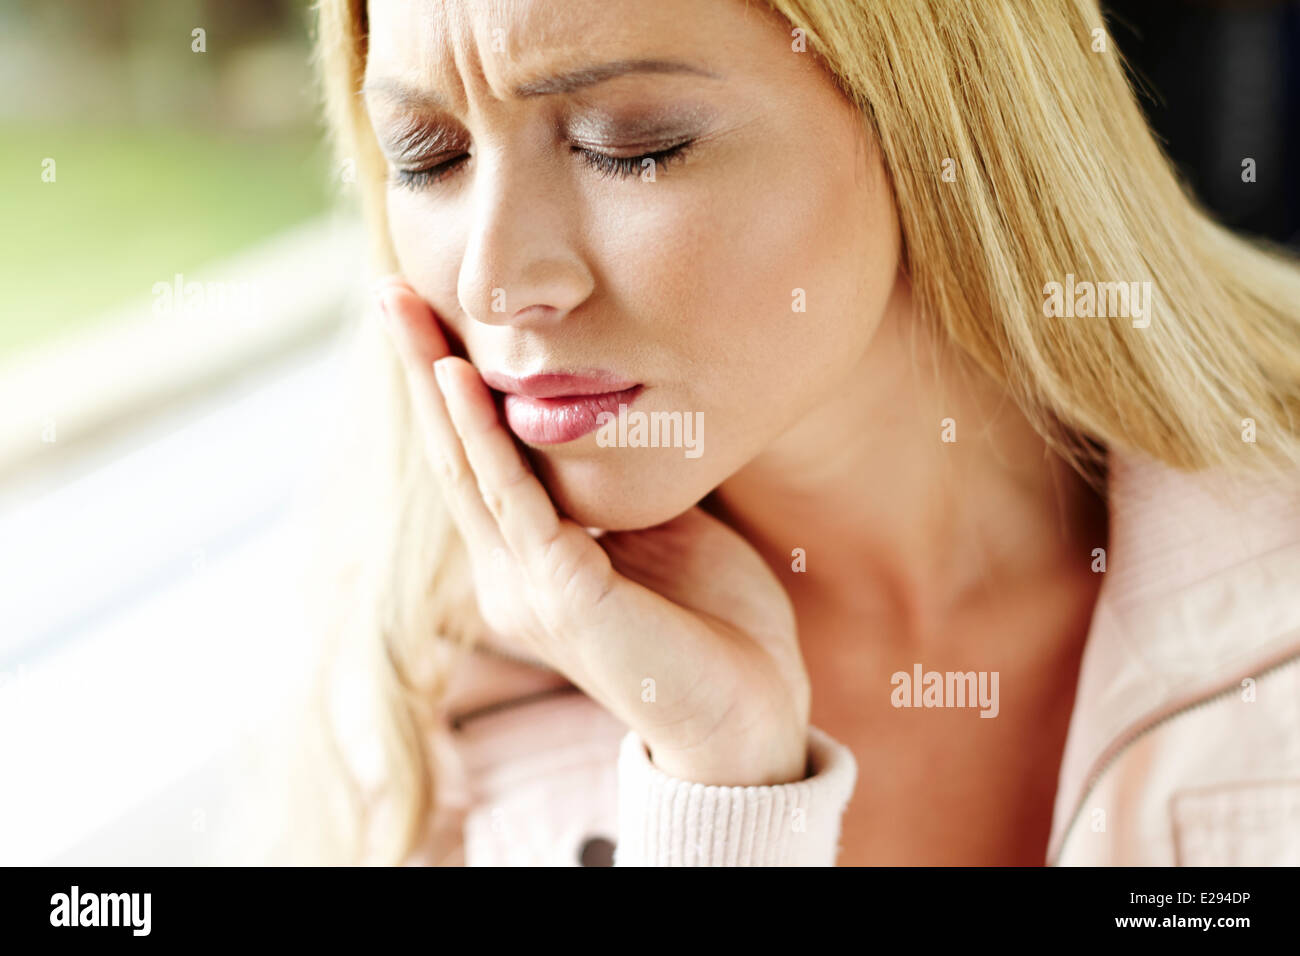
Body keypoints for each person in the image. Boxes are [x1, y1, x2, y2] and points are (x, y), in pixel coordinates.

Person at [255, 0, 1300, 866]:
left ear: (935, 115)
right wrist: (719, 791)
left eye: (631, 145)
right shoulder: (418, 685)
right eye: (427, 156)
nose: (493, 279)